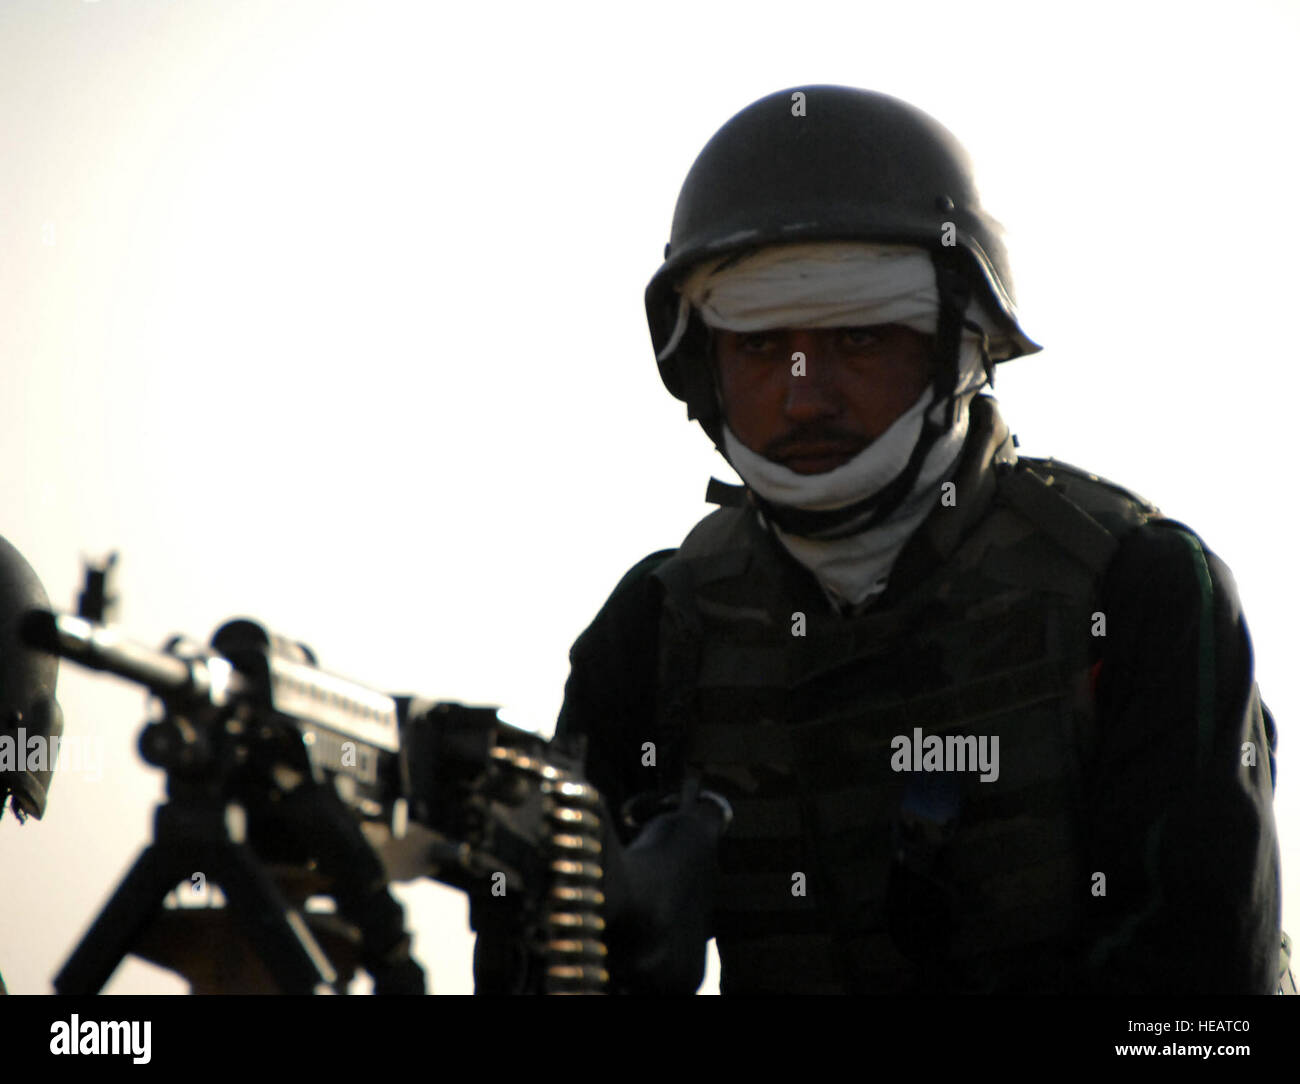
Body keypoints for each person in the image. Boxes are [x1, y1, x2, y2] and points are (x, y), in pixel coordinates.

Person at [530, 85, 1288, 995]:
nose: (806, 396)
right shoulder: (652, 634)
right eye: (763, 350)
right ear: (703, 365)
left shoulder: (1140, 593)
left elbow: (1203, 1022)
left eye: (858, 338)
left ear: (960, 344)